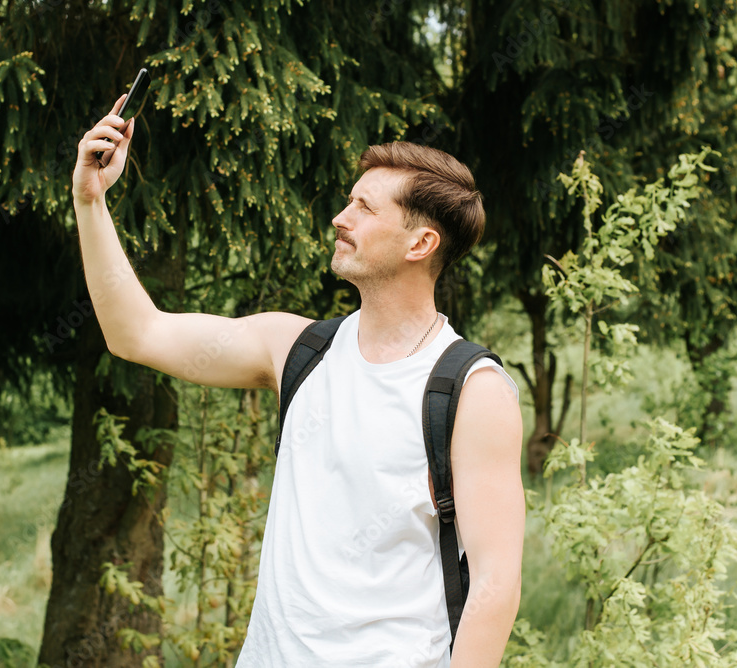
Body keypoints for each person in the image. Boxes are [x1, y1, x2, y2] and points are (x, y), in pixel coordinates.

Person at [72, 95, 525, 667]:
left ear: (420, 244)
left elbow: (495, 585)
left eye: (364, 207)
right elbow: (137, 334)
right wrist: (90, 201)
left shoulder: (471, 390)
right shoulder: (298, 350)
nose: (340, 217)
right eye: (348, 201)